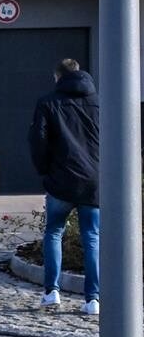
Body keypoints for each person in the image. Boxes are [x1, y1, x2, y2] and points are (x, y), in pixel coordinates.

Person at [29, 57, 101, 314]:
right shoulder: (98, 102)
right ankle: (93, 299)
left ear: (58, 77)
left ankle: (52, 292)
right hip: (94, 181)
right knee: (92, 237)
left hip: (60, 180)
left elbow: (38, 141)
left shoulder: (48, 102)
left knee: (53, 232)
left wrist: (44, 172)